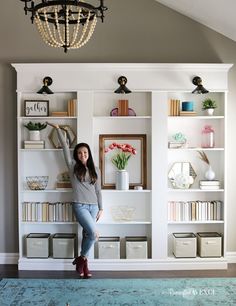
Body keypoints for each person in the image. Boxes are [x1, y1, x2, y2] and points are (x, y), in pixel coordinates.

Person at [47, 122, 103, 278]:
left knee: (87, 235)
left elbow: (98, 190)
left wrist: (101, 208)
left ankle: (83, 264)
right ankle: (81, 260)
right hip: (80, 206)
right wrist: (58, 129)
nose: (82, 155)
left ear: (89, 154)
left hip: (93, 207)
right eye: (79, 153)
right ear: (76, 155)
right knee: (93, 234)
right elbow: (65, 147)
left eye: (85, 153)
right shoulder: (72, 167)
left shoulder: (95, 170)